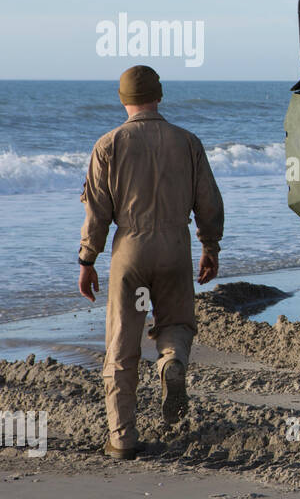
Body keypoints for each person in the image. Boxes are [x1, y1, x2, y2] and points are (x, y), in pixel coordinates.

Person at [77, 66, 224, 459]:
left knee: (123, 344)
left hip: (131, 253)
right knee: (176, 323)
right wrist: (210, 247)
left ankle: (122, 439)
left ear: (123, 99)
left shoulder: (109, 144)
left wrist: (87, 259)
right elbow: (208, 202)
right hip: (175, 249)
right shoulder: (187, 142)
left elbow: (97, 212)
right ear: (159, 96)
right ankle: (170, 363)